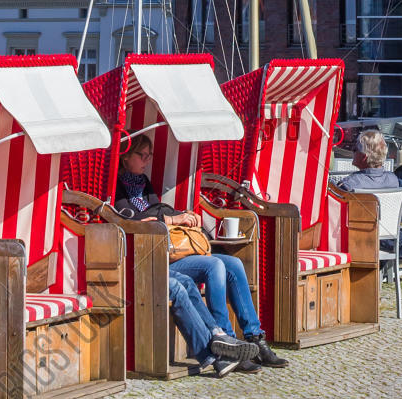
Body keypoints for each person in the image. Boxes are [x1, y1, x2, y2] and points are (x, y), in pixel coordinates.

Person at [114, 133, 287, 373]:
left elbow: (156, 210)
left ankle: (255, 337)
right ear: (125, 157)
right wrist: (174, 217)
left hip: (175, 249)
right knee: (214, 265)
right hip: (155, 257)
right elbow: (133, 219)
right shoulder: (117, 185)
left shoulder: (142, 182)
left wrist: (182, 214)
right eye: (141, 155)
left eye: (149, 155)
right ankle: (227, 339)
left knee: (233, 264)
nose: (146, 160)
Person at [334, 128, 400, 194]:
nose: (352, 151)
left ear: (364, 156)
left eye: (355, 149)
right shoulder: (393, 180)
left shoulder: (350, 184)